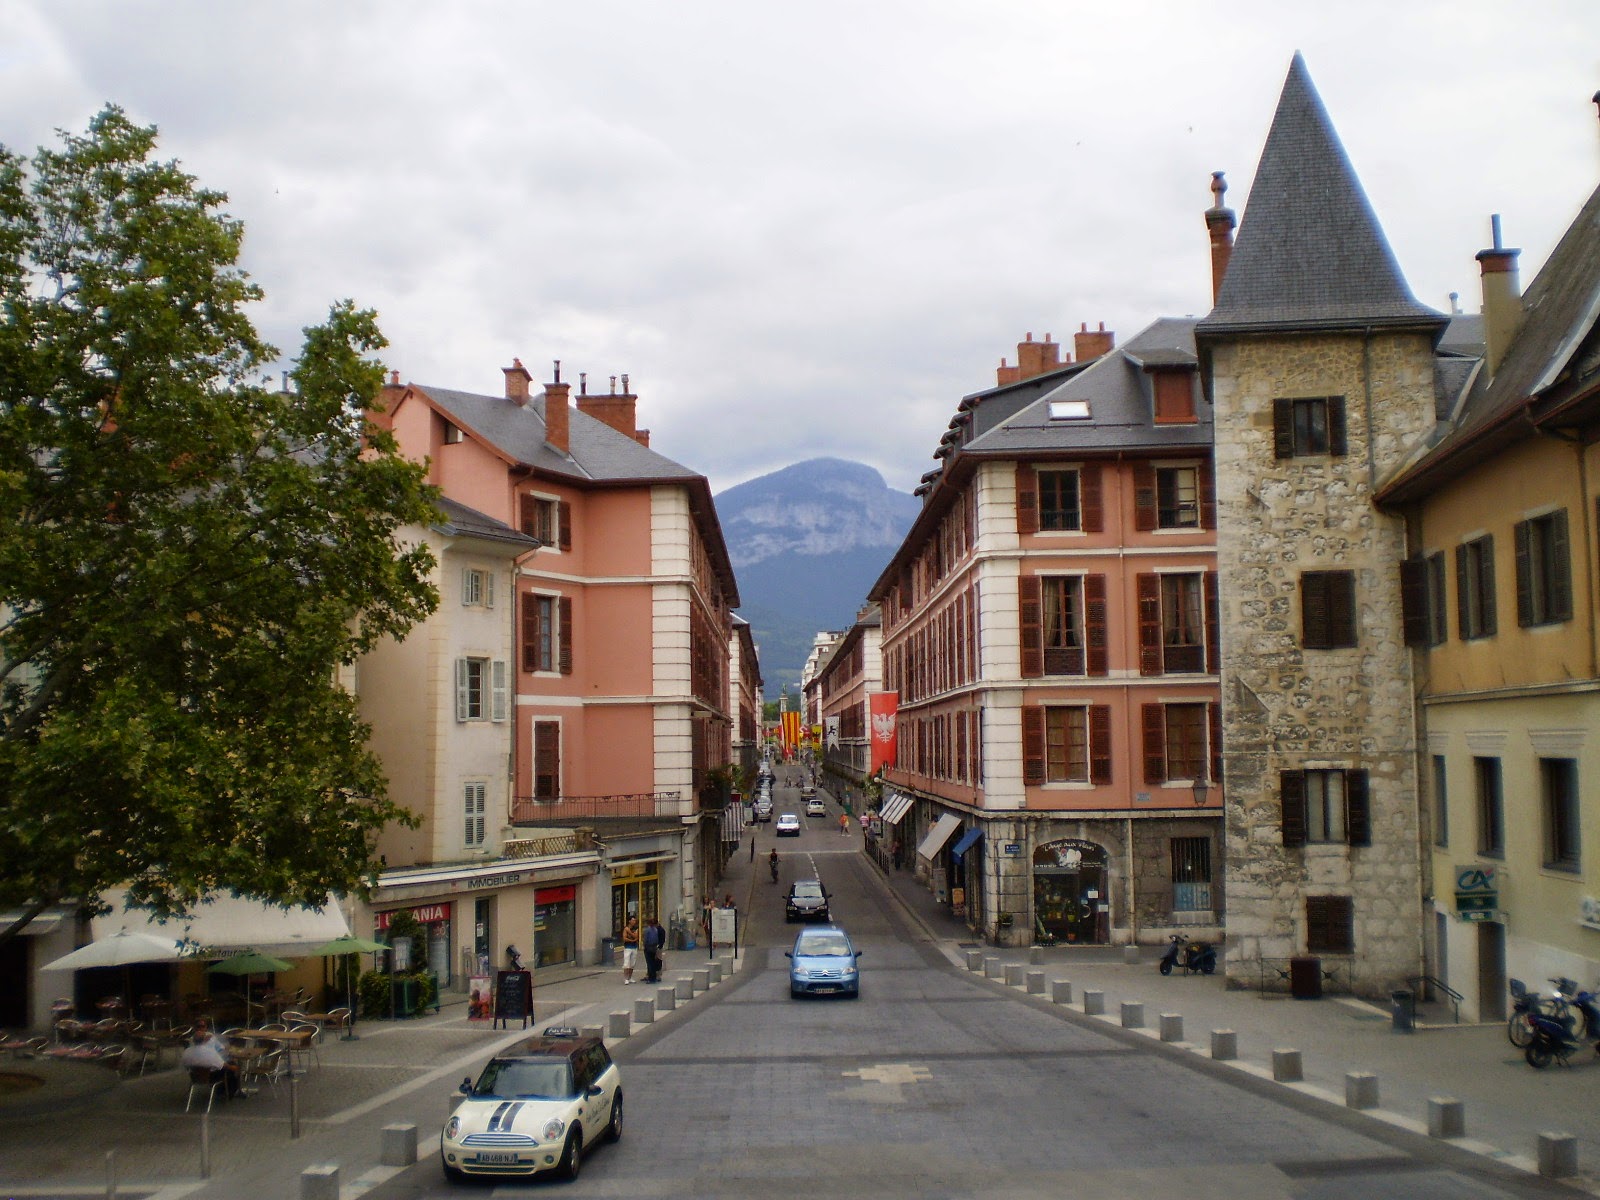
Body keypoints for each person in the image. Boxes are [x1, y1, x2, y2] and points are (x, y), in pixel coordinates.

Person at [180, 1029, 241, 1098]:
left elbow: (185, 1065)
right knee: (231, 1067)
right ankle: (230, 1092)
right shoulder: (209, 1052)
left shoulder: (187, 1052)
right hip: (210, 1077)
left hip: (194, 1077)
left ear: (193, 1040)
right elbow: (224, 1065)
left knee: (226, 1066)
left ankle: (223, 1090)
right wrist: (236, 1068)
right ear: (204, 1039)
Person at [642, 918, 665, 984]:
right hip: (654, 947)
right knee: (653, 962)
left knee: (650, 963)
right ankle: (654, 977)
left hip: (649, 947)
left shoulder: (647, 930)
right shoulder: (655, 930)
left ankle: (651, 978)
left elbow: (646, 939)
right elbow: (657, 939)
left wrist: (644, 945)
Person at [620, 916, 640, 984]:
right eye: (633, 920)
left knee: (632, 964)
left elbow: (636, 937)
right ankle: (626, 978)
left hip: (634, 947)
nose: (634, 922)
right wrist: (632, 940)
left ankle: (630, 977)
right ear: (629, 921)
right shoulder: (626, 928)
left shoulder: (635, 928)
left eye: (635, 920)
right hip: (628, 947)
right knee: (626, 963)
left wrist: (630, 933)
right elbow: (624, 938)